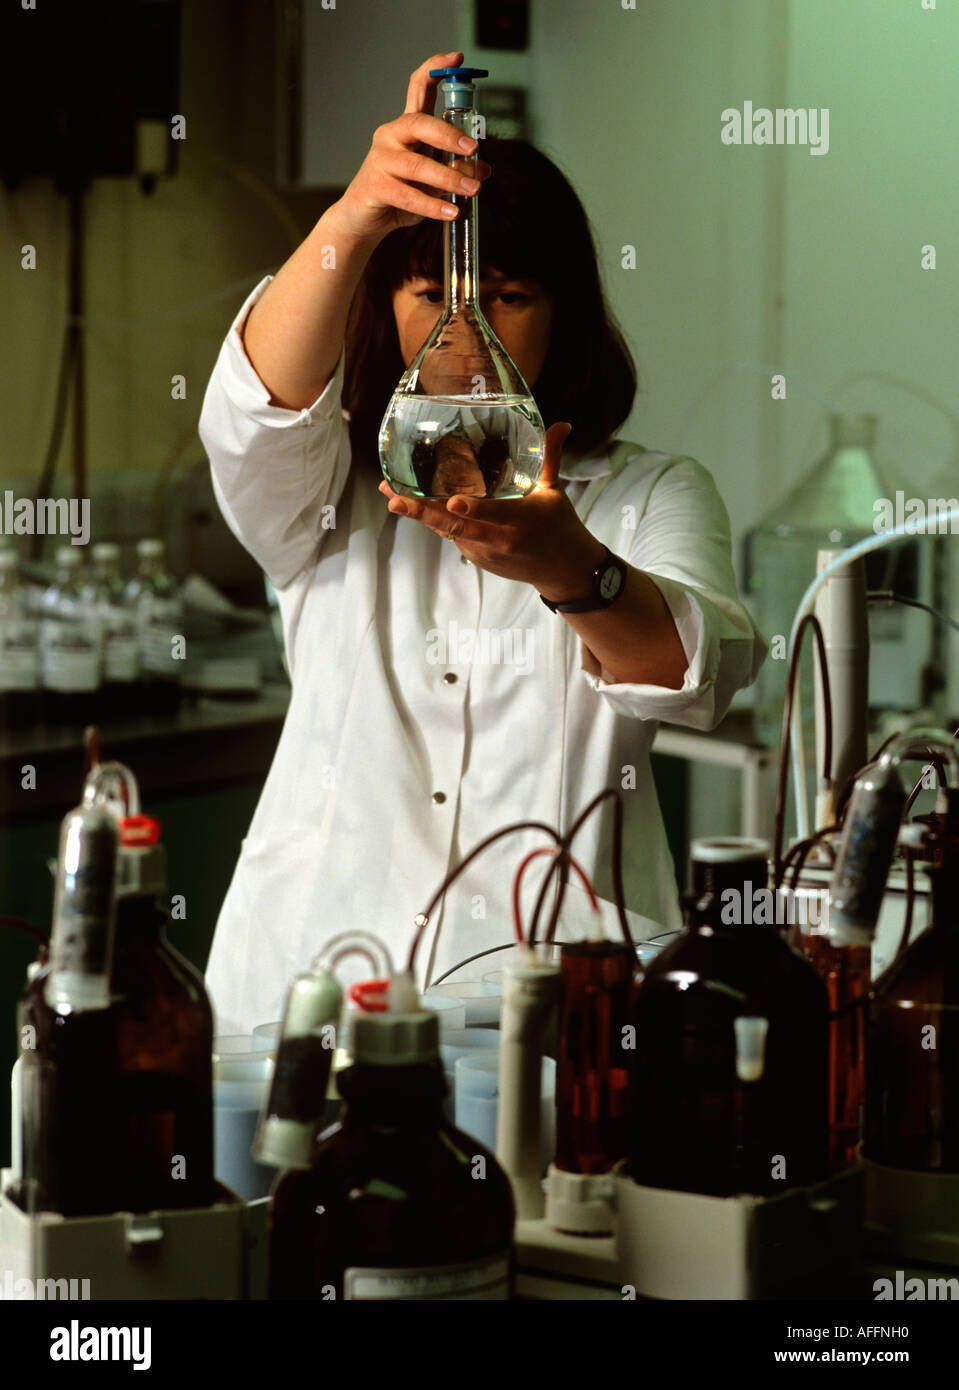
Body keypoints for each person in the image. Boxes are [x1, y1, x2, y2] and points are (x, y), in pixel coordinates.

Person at [199, 51, 765, 1036]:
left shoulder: (646, 493)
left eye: (506, 296)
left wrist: (565, 566)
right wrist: (355, 217)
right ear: (384, 304)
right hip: (310, 1001)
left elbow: (691, 671)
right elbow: (256, 416)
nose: (461, 334)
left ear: (563, 314)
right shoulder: (332, 487)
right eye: (426, 293)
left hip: (550, 1014)